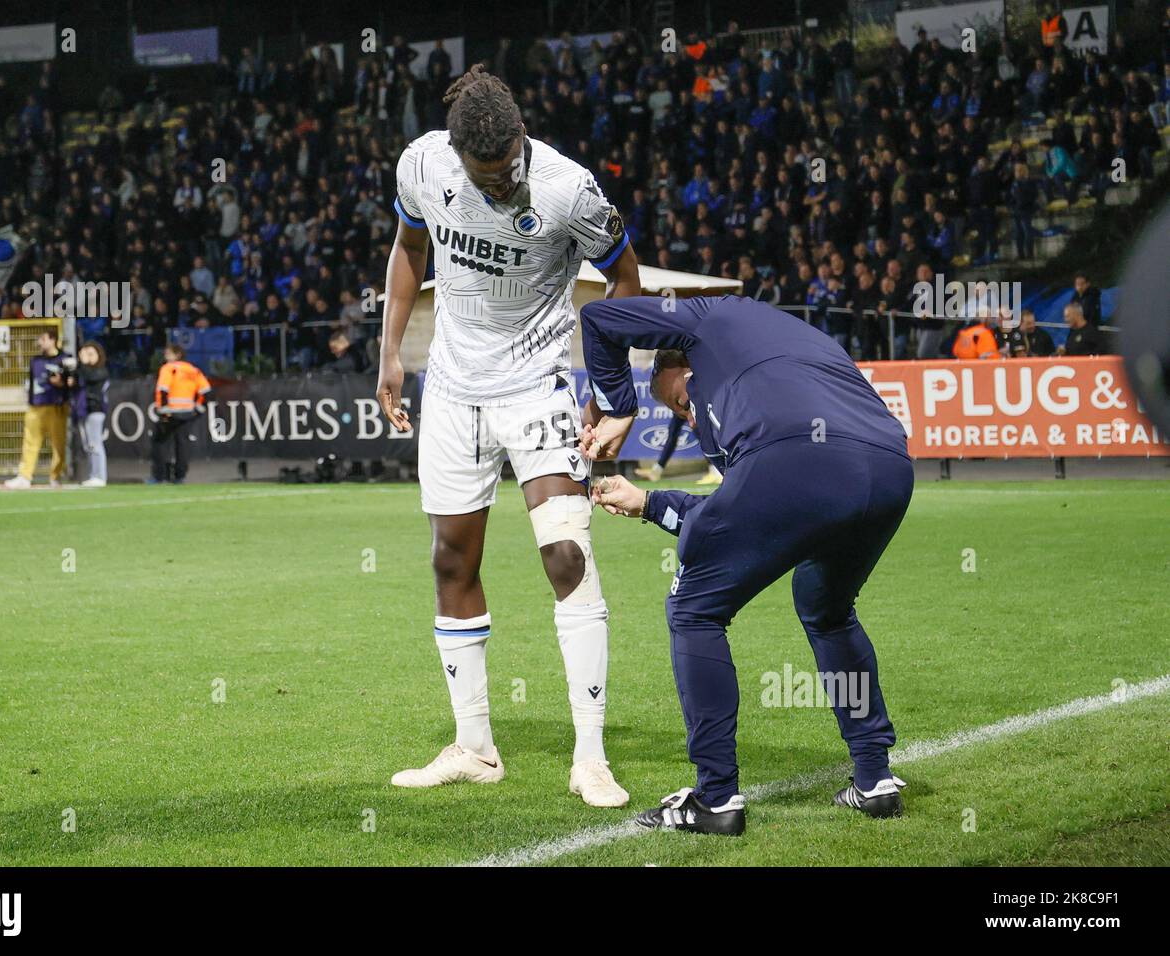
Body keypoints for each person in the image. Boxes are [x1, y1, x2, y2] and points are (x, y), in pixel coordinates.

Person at [376, 64, 642, 807]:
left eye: (505, 170)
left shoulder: (568, 189)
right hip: (454, 393)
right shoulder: (425, 163)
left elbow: (625, 279)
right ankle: (474, 748)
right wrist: (391, 351)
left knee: (566, 553)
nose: (497, 184)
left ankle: (590, 757)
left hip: (536, 391)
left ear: (521, 138)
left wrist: (612, 392)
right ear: (457, 153)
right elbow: (409, 249)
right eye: (482, 174)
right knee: (451, 560)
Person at [580, 294, 913, 835]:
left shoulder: (703, 318)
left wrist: (618, 406)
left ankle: (716, 801)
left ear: (681, 360)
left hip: (796, 458)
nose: (690, 418)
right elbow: (744, 513)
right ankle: (875, 779)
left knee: (694, 610)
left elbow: (597, 319)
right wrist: (646, 504)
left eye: (682, 403)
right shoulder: (790, 347)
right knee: (825, 606)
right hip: (889, 464)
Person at [4, 330, 71, 489]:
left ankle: (55, 476)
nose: (40, 342)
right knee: (29, 442)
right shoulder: (36, 360)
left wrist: (61, 384)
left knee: (58, 444)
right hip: (36, 406)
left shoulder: (65, 359)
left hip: (56, 406)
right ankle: (25, 476)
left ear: (53, 340)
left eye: (43, 339)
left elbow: (71, 383)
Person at [150, 342, 211, 484]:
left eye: (168, 353)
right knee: (182, 445)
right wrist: (198, 409)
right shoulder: (193, 370)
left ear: (176, 355)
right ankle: (180, 476)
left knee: (160, 443)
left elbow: (163, 389)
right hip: (187, 414)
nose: (165, 356)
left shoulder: (168, 368)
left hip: (170, 413)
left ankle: (161, 476)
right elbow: (206, 391)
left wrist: (164, 411)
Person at [73, 341, 110, 487]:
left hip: (95, 409)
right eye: (85, 354)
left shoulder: (101, 371)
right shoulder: (84, 371)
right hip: (84, 410)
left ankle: (99, 476)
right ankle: (94, 474)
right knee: (88, 445)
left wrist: (82, 362)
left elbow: (90, 376)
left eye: (91, 354)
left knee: (95, 444)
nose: (87, 357)